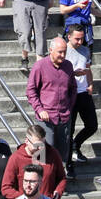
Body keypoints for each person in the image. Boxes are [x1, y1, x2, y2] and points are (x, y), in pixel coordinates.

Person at [26, 36, 78, 165]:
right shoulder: (40, 66)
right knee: (41, 156)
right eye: (59, 52)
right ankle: (40, 181)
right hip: (45, 118)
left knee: (62, 156)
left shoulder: (68, 66)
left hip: (64, 118)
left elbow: (73, 88)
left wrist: (69, 107)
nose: (62, 55)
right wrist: (40, 109)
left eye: (64, 52)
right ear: (50, 50)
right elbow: (30, 91)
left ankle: (60, 180)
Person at [2, 124, 67, 199]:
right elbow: (6, 187)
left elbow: (62, 178)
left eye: (42, 144)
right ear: (27, 141)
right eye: (36, 145)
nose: (40, 148)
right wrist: (25, 198)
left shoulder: (52, 153)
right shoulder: (16, 157)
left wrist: (58, 192)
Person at [64, 24, 99, 170]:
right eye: (77, 39)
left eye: (82, 38)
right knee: (69, 129)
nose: (80, 42)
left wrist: (90, 83)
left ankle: (75, 145)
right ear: (69, 36)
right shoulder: (63, 51)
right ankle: (68, 163)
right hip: (69, 94)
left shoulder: (85, 50)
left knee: (92, 125)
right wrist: (73, 74)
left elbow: (88, 69)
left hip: (83, 92)